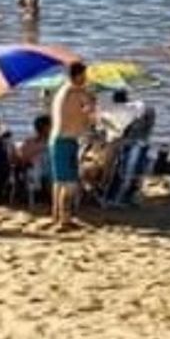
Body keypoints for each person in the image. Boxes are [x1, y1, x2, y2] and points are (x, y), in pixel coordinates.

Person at [49, 61, 96, 231]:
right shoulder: (74, 92)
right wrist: (91, 103)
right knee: (70, 184)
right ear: (77, 76)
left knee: (59, 182)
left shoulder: (63, 91)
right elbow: (88, 117)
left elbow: (75, 116)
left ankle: (57, 216)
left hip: (58, 139)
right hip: (64, 141)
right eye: (84, 75)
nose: (86, 79)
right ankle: (64, 221)